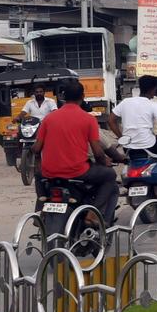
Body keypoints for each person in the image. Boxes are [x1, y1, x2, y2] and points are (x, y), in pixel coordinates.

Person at [31, 79, 118, 223]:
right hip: (77, 172)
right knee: (109, 175)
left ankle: (41, 209)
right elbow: (98, 152)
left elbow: (36, 148)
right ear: (83, 97)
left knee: (39, 174)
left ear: (63, 97)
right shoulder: (88, 119)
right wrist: (106, 161)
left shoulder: (48, 119)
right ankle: (92, 213)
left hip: (49, 172)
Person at [110, 76, 157, 193]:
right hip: (149, 145)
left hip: (129, 146)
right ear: (153, 89)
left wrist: (122, 137)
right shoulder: (153, 105)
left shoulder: (125, 102)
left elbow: (111, 120)